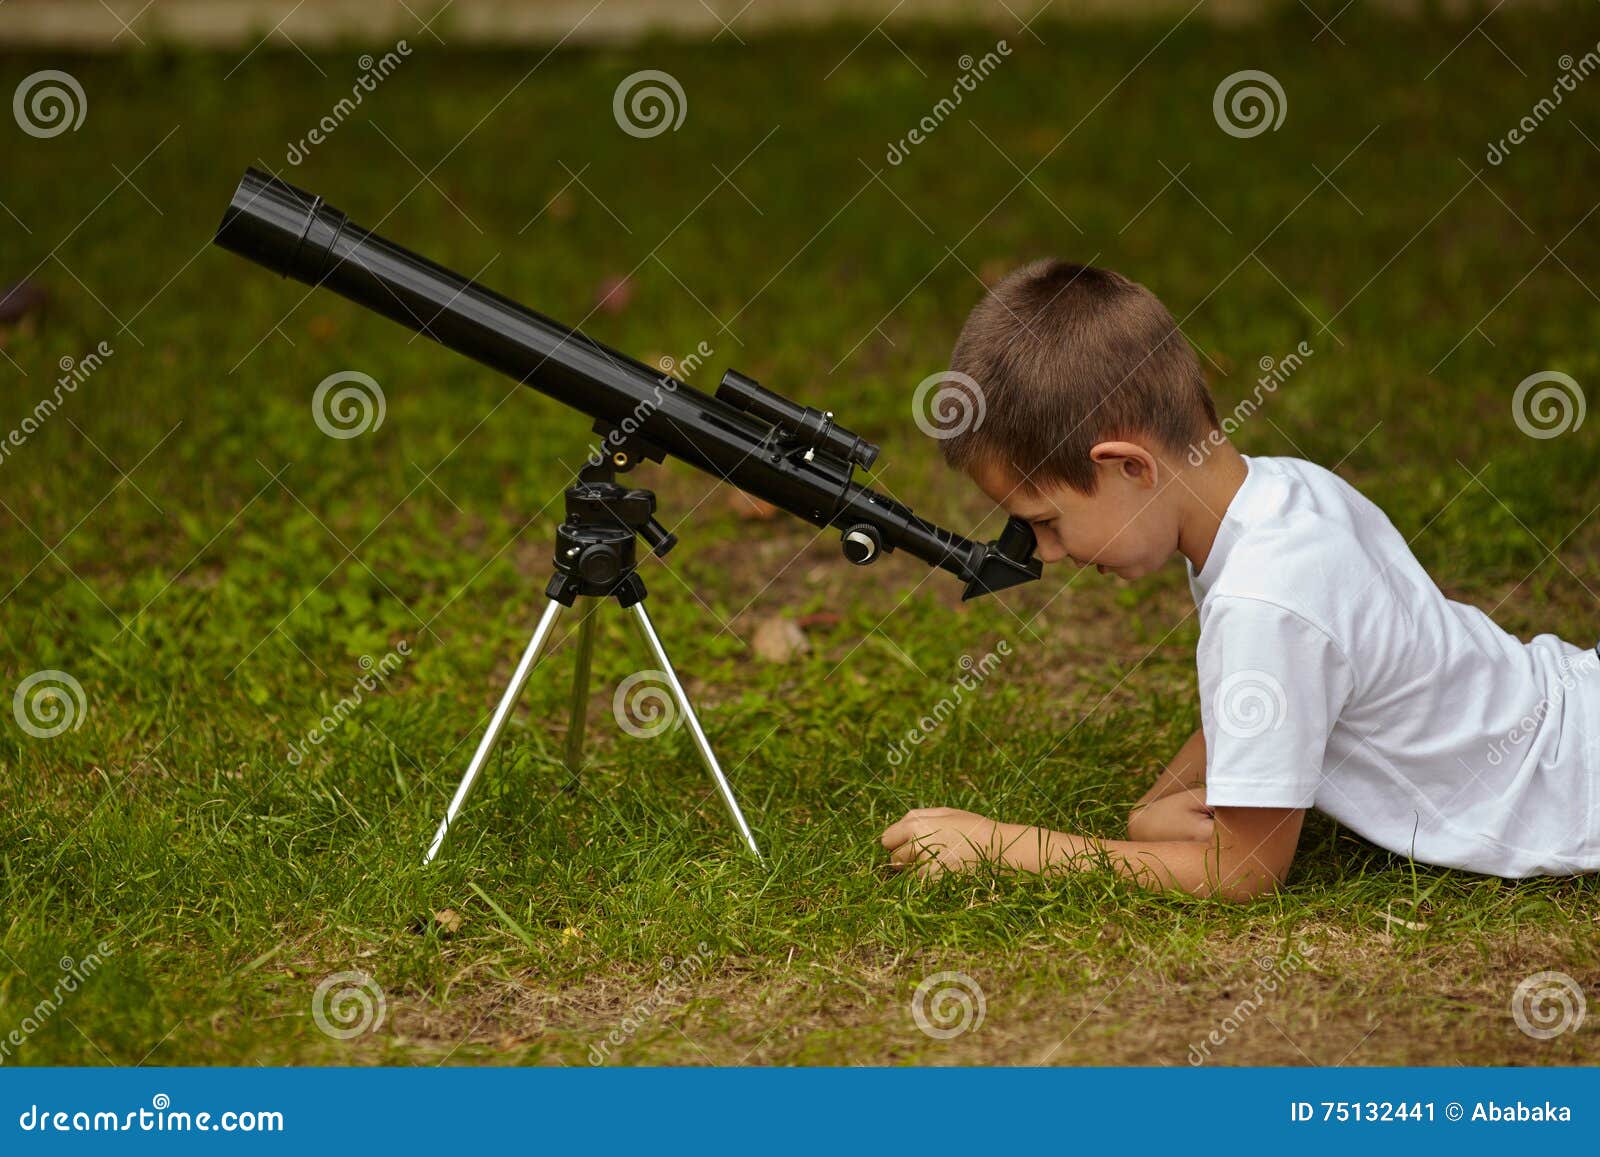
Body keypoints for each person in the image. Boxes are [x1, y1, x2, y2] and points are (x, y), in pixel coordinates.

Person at [880, 259, 1600, 900]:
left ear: (1130, 466)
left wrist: (1003, 844)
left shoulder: (1267, 598)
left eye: (1046, 521)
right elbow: (1259, 696)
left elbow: (1243, 873)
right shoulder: (1284, 493)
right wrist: (1163, 800)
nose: (1048, 553)